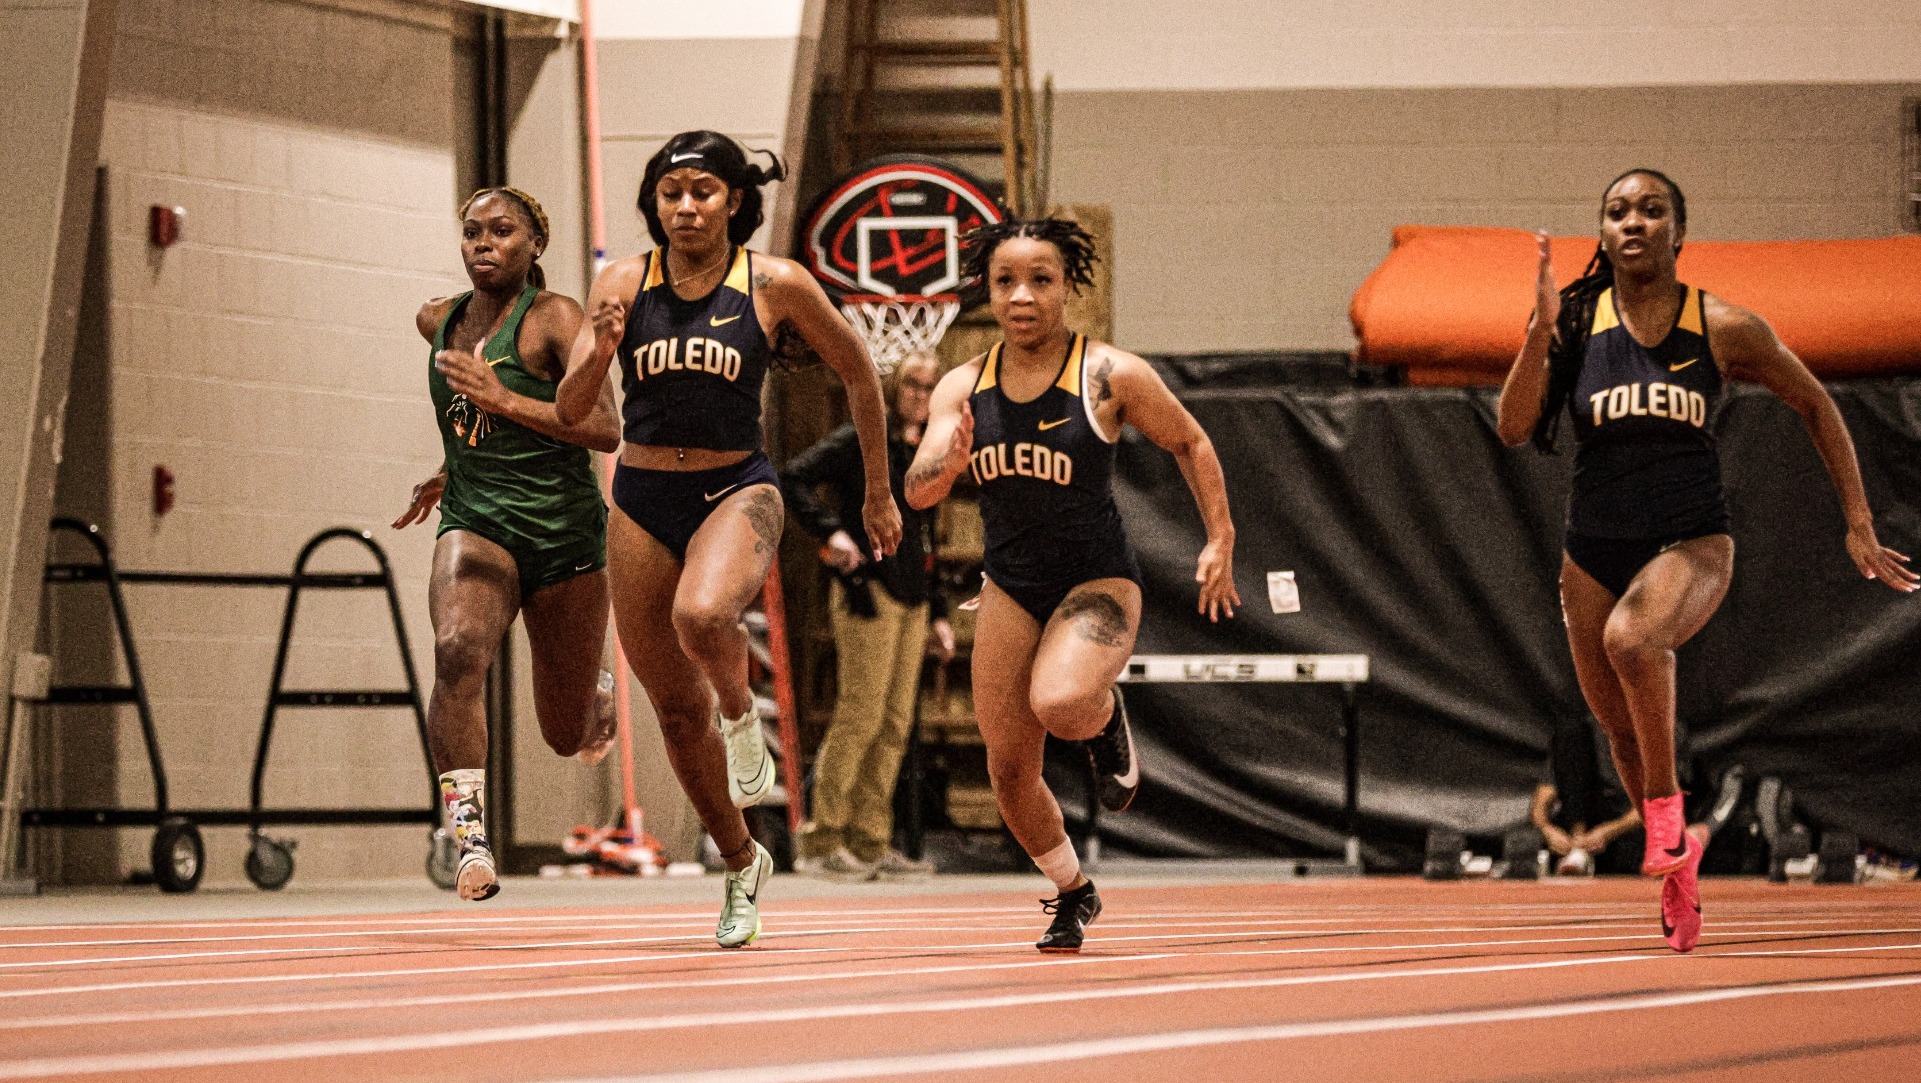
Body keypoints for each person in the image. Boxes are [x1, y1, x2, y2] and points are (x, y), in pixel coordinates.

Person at [1496, 168, 1917, 952]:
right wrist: (1536, 330)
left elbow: (1815, 404)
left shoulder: (1721, 326)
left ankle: (1663, 821)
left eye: (1651, 210)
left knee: (1633, 640)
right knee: (1618, 730)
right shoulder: (1575, 320)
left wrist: (1856, 520)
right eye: (1617, 211)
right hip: (1592, 548)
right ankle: (1679, 866)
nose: (1633, 222)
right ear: (1603, 232)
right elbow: (1514, 427)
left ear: (1677, 233)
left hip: (1691, 540)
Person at [556, 131, 902, 948]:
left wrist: (880, 490)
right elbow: (573, 410)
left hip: (736, 486)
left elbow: (859, 370)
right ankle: (742, 862)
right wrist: (600, 350)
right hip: (642, 495)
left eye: (703, 192)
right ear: (654, 202)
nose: (685, 207)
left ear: (735, 200)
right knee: (676, 713)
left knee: (705, 616)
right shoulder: (619, 281)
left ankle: (744, 716)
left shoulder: (774, 282)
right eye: (671, 193)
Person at [905, 218, 1239, 953]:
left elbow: (1189, 440)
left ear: (1066, 287)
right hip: (1012, 587)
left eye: (1040, 279)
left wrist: (1220, 537)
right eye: (1005, 281)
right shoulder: (963, 384)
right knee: (1007, 769)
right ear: (987, 291)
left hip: (1096, 580)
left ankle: (1102, 713)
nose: (1021, 296)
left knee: (1058, 701)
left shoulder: (1109, 374)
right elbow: (920, 489)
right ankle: (1072, 891)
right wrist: (946, 459)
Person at [394, 187, 623, 903]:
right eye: (471, 232)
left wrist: (504, 401)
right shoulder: (438, 319)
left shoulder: (556, 320)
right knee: (457, 647)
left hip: (563, 534)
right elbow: (468, 416)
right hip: (476, 519)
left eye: (501, 231)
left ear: (534, 247)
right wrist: (449, 466)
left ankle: (596, 694)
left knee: (565, 732)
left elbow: (605, 428)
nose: (482, 244)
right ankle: (468, 841)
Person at [780, 352, 955, 882]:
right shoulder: (862, 438)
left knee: (895, 723)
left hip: (913, 598)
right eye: (912, 385)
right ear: (894, 387)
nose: (920, 396)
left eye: (930, 387)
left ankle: (868, 839)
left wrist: (941, 610)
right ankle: (822, 839)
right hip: (868, 592)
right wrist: (832, 533)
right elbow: (793, 477)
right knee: (860, 715)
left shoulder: (926, 450)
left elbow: (928, 535)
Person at [1531, 712, 1643, 876]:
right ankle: (1577, 848)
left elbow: (1658, 803)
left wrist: (1608, 832)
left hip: (1624, 829)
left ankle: (1579, 852)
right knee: (1572, 732)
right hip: (1577, 830)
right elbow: (1541, 802)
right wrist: (1548, 830)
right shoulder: (1579, 734)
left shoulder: (1652, 731)